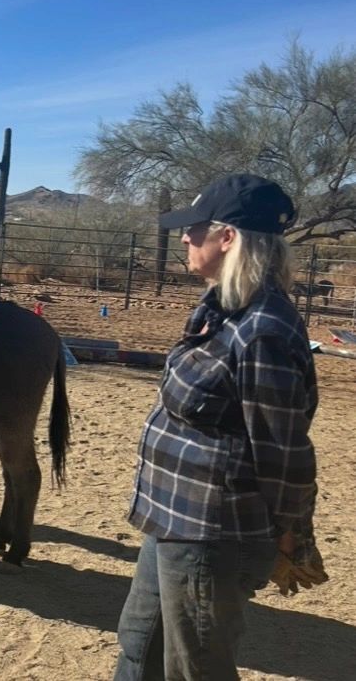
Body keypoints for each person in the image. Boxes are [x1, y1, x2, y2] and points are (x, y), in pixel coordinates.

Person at [114, 174, 328, 680]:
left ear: (227, 238)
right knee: (139, 646)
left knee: (196, 667)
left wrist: (293, 534)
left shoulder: (263, 330)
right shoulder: (224, 309)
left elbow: (283, 452)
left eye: (195, 229)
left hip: (212, 532)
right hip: (174, 516)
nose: (184, 238)